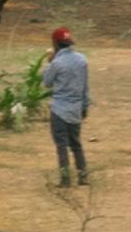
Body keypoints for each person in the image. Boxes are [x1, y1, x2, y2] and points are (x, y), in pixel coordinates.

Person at [40, 24, 94, 186]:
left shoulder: (57, 63)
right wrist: (84, 107)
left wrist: (49, 63)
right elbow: (85, 86)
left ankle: (65, 179)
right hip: (76, 108)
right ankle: (83, 176)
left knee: (61, 145)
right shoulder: (82, 60)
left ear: (55, 44)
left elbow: (47, 83)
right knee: (76, 143)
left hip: (59, 109)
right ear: (70, 42)